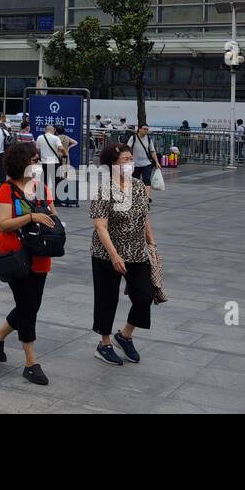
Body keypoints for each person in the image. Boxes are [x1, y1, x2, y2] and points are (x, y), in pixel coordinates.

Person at [0, 142, 58, 386]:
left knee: (32, 305)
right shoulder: (7, 190)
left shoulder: (42, 188)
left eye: (38, 160)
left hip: (40, 256)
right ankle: (30, 363)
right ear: (21, 163)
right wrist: (31, 216)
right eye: (34, 160)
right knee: (27, 306)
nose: (37, 164)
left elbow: (53, 216)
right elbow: (4, 224)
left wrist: (55, 225)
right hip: (15, 257)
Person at [89, 143, 157, 366]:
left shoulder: (138, 186)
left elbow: (144, 217)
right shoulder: (103, 189)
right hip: (107, 253)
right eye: (124, 160)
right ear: (112, 165)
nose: (129, 163)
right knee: (107, 298)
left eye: (130, 159)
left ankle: (125, 335)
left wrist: (152, 244)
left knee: (144, 296)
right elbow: (101, 227)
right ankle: (105, 343)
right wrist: (114, 256)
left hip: (137, 251)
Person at [128, 123, 160, 188]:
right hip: (135, 164)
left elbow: (153, 151)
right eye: (144, 129)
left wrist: (157, 162)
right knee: (135, 181)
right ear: (139, 129)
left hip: (146, 163)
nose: (146, 130)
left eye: (147, 129)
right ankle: (137, 195)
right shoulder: (133, 138)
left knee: (147, 180)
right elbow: (127, 149)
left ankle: (147, 197)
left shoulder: (148, 139)